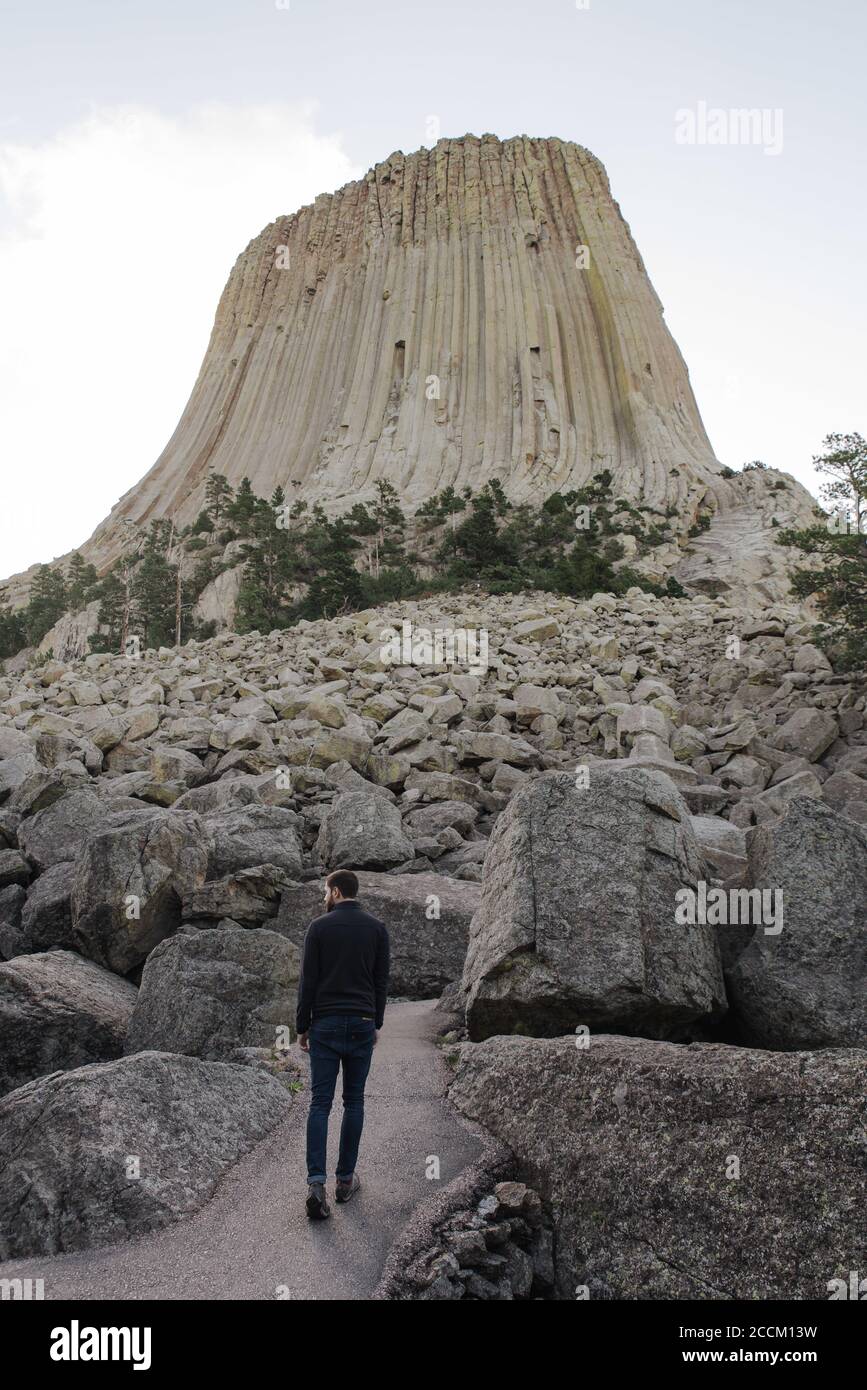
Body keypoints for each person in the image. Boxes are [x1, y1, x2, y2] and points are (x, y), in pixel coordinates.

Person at [296, 869, 390, 1220]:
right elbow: (381, 981)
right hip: (362, 1023)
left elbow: (308, 981)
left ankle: (316, 1184)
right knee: (354, 1102)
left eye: (326, 891)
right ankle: (345, 1181)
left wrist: (302, 1026)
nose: (325, 897)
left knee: (320, 1102)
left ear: (335, 892)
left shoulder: (319, 928)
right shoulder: (377, 929)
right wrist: (375, 1021)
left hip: (325, 1024)